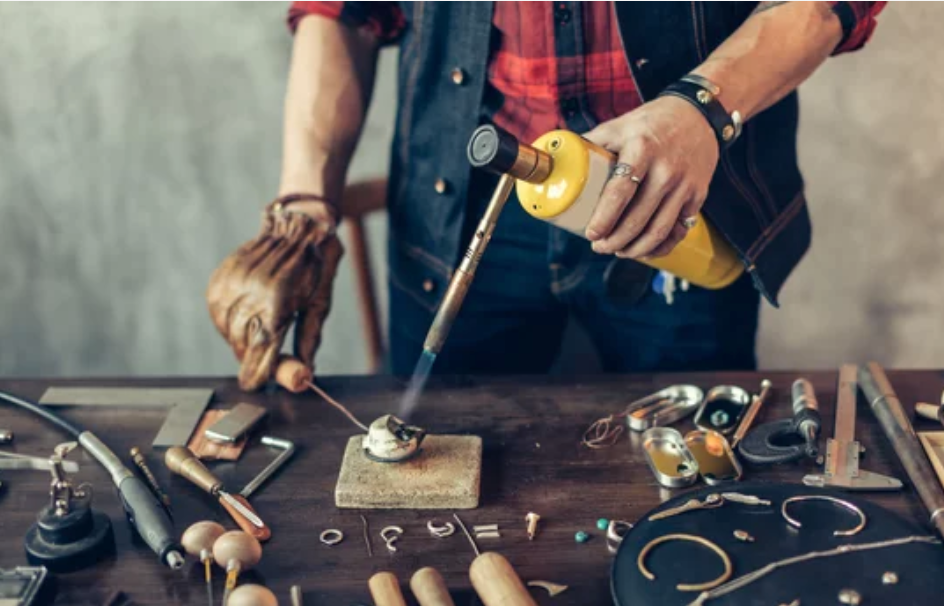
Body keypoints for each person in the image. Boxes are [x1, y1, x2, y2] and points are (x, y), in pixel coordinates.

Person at [207, 1, 884, 391]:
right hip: (463, 208)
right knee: (434, 465)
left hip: (680, 194)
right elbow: (343, 8)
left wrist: (702, 110)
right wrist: (301, 211)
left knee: (695, 487)